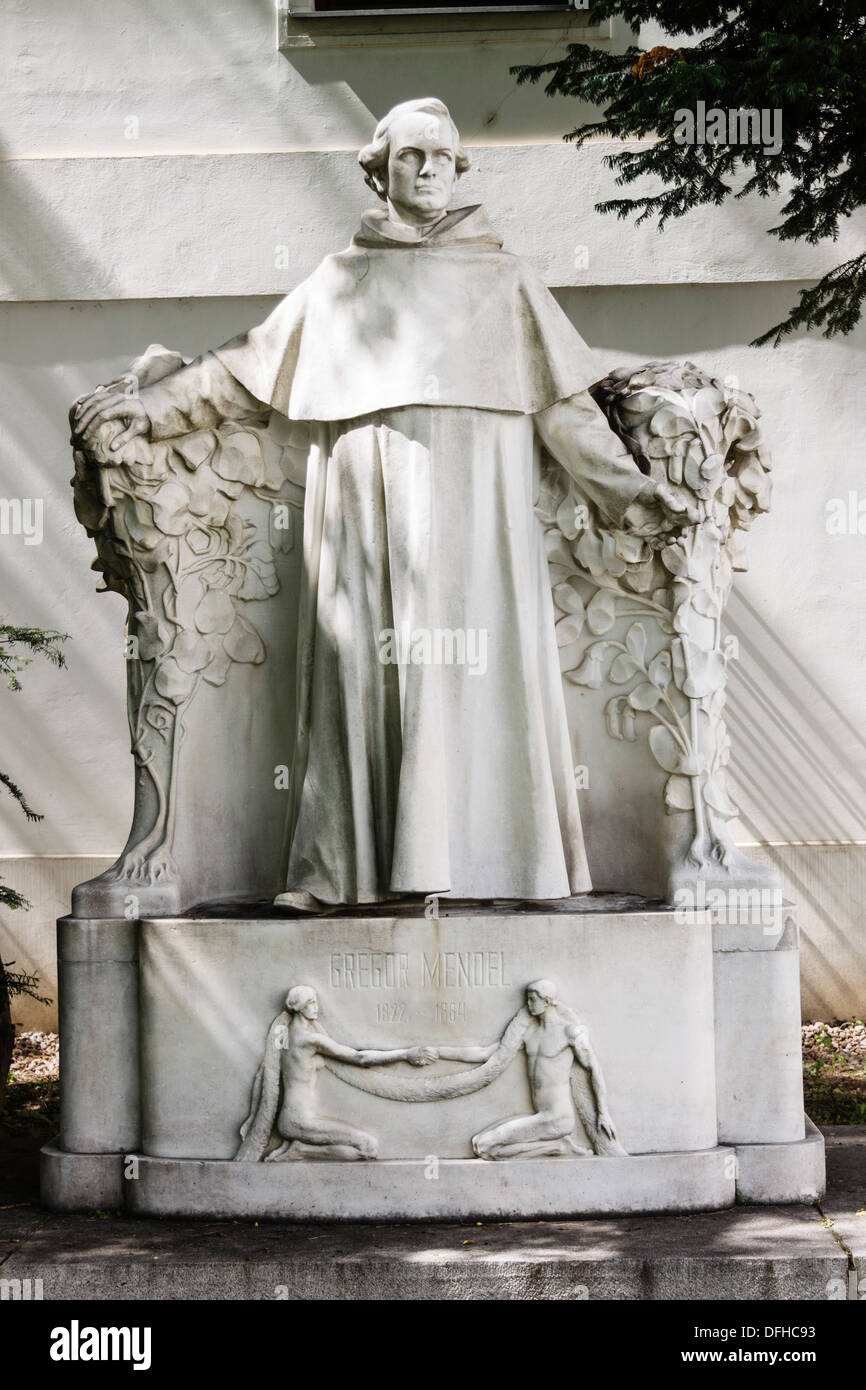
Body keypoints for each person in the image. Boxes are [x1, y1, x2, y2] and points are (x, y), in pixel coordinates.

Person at [75, 97, 692, 909]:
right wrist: (153, 409)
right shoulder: (344, 279)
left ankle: (501, 867)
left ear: (461, 167)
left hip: (480, 511)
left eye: (443, 155)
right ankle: (345, 870)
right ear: (381, 169)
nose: (430, 168)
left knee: (479, 673)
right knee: (362, 667)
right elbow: (243, 369)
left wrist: (632, 494)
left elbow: (566, 413)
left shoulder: (504, 282)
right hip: (369, 501)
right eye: (412, 156)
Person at [235, 985, 437, 1161]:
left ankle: (300, 1150)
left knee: (366, 1146)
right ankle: (300, 1152)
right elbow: (360, 1058)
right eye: (312, 1002)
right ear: (300, 1007)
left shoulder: (285, 1036)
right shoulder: (310, 1040)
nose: (317, 1007)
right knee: (369, 1147)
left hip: (296, 1119)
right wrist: (405, 1054)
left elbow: (266, 1076)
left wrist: (253, 1115)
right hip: (299, 1120)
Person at [435, 979, 626, 1159]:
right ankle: (557, 1147)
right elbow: (484, 1054)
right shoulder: (529, 1033)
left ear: (547, 1001)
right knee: (479, 1144)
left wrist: (603, 1113)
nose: (528, 1003)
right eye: (527, 998)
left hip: (558, 1117)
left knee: (484, 1146)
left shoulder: (569, 1032)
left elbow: (594, 1069)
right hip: (542, 1117)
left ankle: (560, 1147)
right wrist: (438, 1052)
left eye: (532, 999)